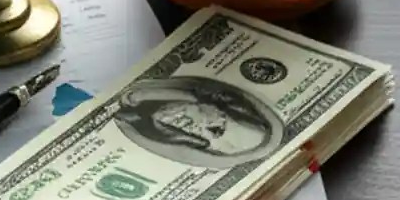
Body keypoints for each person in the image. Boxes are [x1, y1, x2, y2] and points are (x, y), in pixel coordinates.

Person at [112, 76, 283, 169]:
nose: (204, 124)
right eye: (222, 121)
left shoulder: (140, 122)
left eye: (215, 132)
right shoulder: (185, 97)